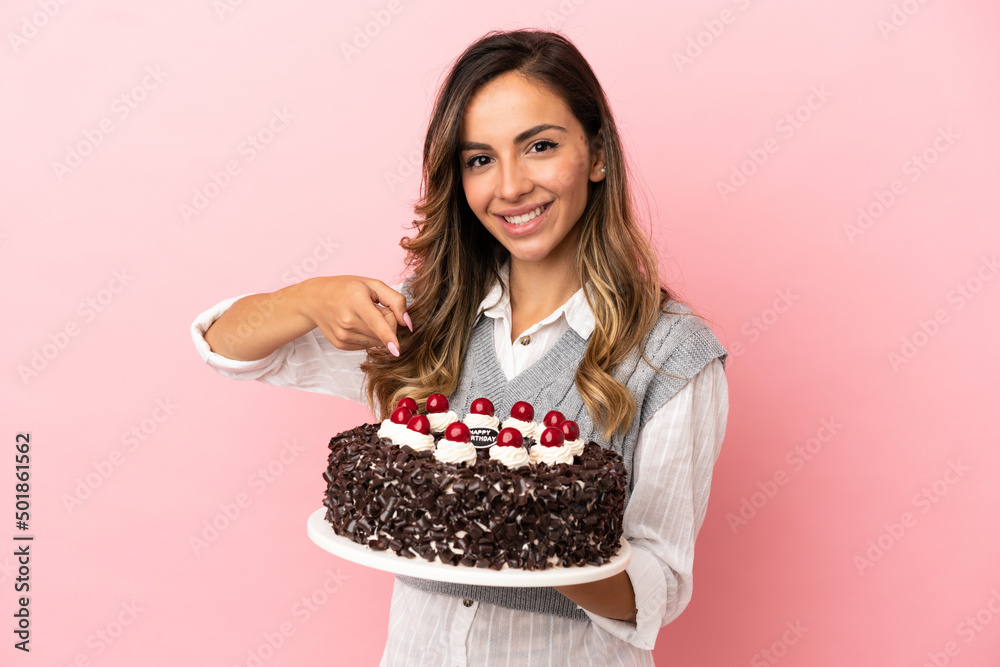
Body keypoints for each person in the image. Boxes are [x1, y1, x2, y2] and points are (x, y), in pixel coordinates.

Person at [190, 28, 728, 666]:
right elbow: (229, 348)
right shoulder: (426, 319)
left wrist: (521, 519)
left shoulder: (672, 356)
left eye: (540, 147)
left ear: (599, 154)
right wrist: (308, 297)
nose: (510, 186)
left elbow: (655, 593)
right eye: (479, 159)